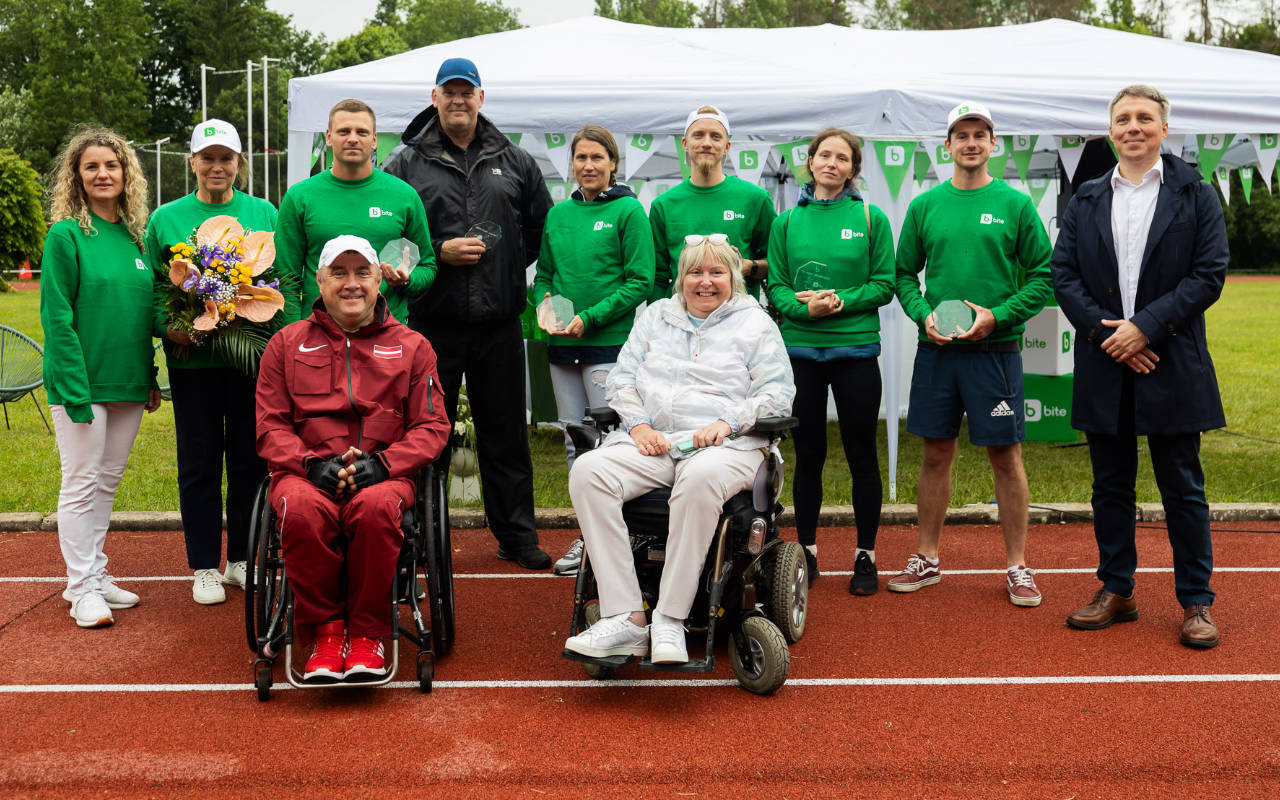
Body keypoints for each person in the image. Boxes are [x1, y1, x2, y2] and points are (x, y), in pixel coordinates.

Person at [1051, 85, 1228, 648]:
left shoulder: (1195, 192)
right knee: (1110, 486)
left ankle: (1196, 602)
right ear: (1110, 131)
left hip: (1169, 359)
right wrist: (1113, 336)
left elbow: (1208, 274)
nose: (1133, 126)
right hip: (1106, 359)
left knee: (1182, 486)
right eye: (1123, 118)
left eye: (1144, 118)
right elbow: (1064, 275)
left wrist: (1145, 327)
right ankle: (1117, 589)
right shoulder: (1086, 197)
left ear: (1163, 129)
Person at [563, 236, 794, 664]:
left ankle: (670, 618)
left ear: (734, 276)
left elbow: (778, 396)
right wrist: (640, 424)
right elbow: (622, 379)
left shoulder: (756, 323)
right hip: (659, 443)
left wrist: (728, 422)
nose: (705, 282)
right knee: (589, 471)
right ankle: (627, 617)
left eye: (716, 272)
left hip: (732, 446)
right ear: (680, 278)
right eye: (695, 272)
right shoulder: (655, 317)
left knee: (700, 477)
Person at [383, 57, 555, 570]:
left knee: (505, 435)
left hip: (499, 322)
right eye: (449, 92)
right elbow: (392, 239)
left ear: (482, 98)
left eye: (468, 92)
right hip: (430, 324)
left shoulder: (516, 160)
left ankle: (516, 536)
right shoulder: (404, 162)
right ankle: (414, 537)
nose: (459, 101)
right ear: (434, 97)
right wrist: (440, 251)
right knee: (424, 435)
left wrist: (501, 264)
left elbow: (540, 230)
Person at [256, 235, 450, 680]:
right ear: (319, 280)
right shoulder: (284, 345)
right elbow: (269, 427)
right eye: (339, 273)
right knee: (301, 511)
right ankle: (326, 637)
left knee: (378, 509)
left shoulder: (414, 346)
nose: (351, 284)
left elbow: (432, 426)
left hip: (384, 472)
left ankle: (366, 637)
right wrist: (310, 465)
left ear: (379, 279)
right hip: (306, 473)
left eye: (362, 272)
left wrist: (383, 465)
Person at [892, 101, 1053, 607]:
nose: (970, 142)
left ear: (993, 143)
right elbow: (902, 276)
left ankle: (1018, 566)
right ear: (947, 146)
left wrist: (997, 316)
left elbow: (1042, 278)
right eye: (961, 135)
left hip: (996, 352)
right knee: (935, 453)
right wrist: (923, 316)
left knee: (1006, 457)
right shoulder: (924, 206)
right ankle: (928, 558)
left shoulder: (1016, 204)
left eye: (979, 134)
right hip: (936, 352)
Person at [145, 119, 276, 605]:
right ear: (192, 163)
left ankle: (241, 560)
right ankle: (203, 566)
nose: (216, 166)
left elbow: (277, 281)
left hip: (247, 361)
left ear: (239, 163)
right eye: (208, 158)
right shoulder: (167, 218)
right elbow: (155, 291)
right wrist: (169, 324)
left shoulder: (263, 211)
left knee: (249, 459)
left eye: (226, 158)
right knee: (199, 462)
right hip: (191, 362)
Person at [40, 127, 161, 628]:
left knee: (107, 483)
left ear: (125, 173)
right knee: (82, 482)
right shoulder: (66, 235)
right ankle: (80, 585)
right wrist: (73, 388)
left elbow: (140, 313)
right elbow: (57, 316)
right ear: (77, 176)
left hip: (128, 381)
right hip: (82, 385)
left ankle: (96, 571)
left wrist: (150, 374)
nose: (102, 174)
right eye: (91, 166)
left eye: (110, 165)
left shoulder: (137, 237)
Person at [765, 128, 895, 594]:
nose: (832, 163)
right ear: (811, 161)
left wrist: (839, 301)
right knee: (809, 456)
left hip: (856, 351)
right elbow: (775, 285)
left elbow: (885, 283)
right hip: (801, 352)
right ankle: (807, 553)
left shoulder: (869, 216)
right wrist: (804, 310)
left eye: (842, 157)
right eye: (825, 155)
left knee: (862, 454)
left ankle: (866, 556)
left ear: (853, 168)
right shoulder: (785, 222)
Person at [533, 124, 654, 576]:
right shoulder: (559, 214)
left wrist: (591, 317)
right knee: (574, 439)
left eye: (597, 158)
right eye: (580, 158)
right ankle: (588, 537)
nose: (587, 166)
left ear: (613, 164)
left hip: (608, 346)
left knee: (611, 442)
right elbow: (544, 274)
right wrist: (545, 305)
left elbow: (639, 280)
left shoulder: (628, 211)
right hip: (562, 348)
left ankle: (622, 535)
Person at [275, 99, 436, 325]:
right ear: (329, 137)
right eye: (344, 131)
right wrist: (292, 337)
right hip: (320, 334)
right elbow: (286, 279)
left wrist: (408, 278)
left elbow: (427, 267)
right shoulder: (299, 197)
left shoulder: (404, 196)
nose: (352, 138)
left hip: (386, 334)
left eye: (361, 132)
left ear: (374, 140)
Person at [648, 106, 775, 301]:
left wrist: (751, 267)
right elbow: (657, 276)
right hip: (681, 321)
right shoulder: (663, 205)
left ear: (727, 147)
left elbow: (777, 264)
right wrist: (655, 321)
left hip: (739, 321)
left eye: (715, 137)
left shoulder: (755, 199)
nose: (706, 143)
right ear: (685, 143)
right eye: (698, 135)